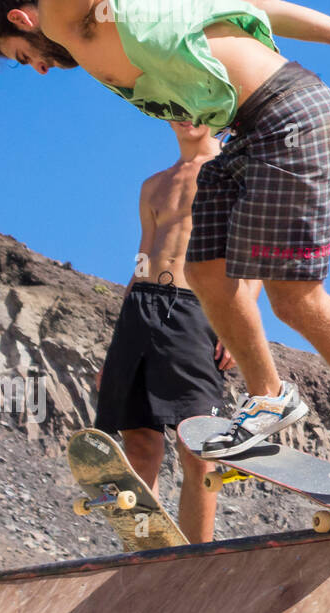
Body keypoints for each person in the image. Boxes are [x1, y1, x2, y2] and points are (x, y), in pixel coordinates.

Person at [0, 0, 330, 500]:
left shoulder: (61, 17)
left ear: (23, 22)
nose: (40, 69)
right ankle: (270, 396)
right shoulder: (144, 8)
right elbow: (265, 9)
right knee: (207, 273)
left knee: (295, 298)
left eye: (23, 59)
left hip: (286, 117)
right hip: (248, 132)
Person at [95, 120, 245, 543]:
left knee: (199, 443)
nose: (185, 115)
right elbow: (143, 257)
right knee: (139, 443)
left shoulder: (233, 172)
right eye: (176, 107)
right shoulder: (154, 185)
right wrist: (116, 347)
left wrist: (237, 325)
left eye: (194, 105)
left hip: (194, 308)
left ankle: (198, 558)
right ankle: (147, 551)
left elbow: (247, 251)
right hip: (141, 309)